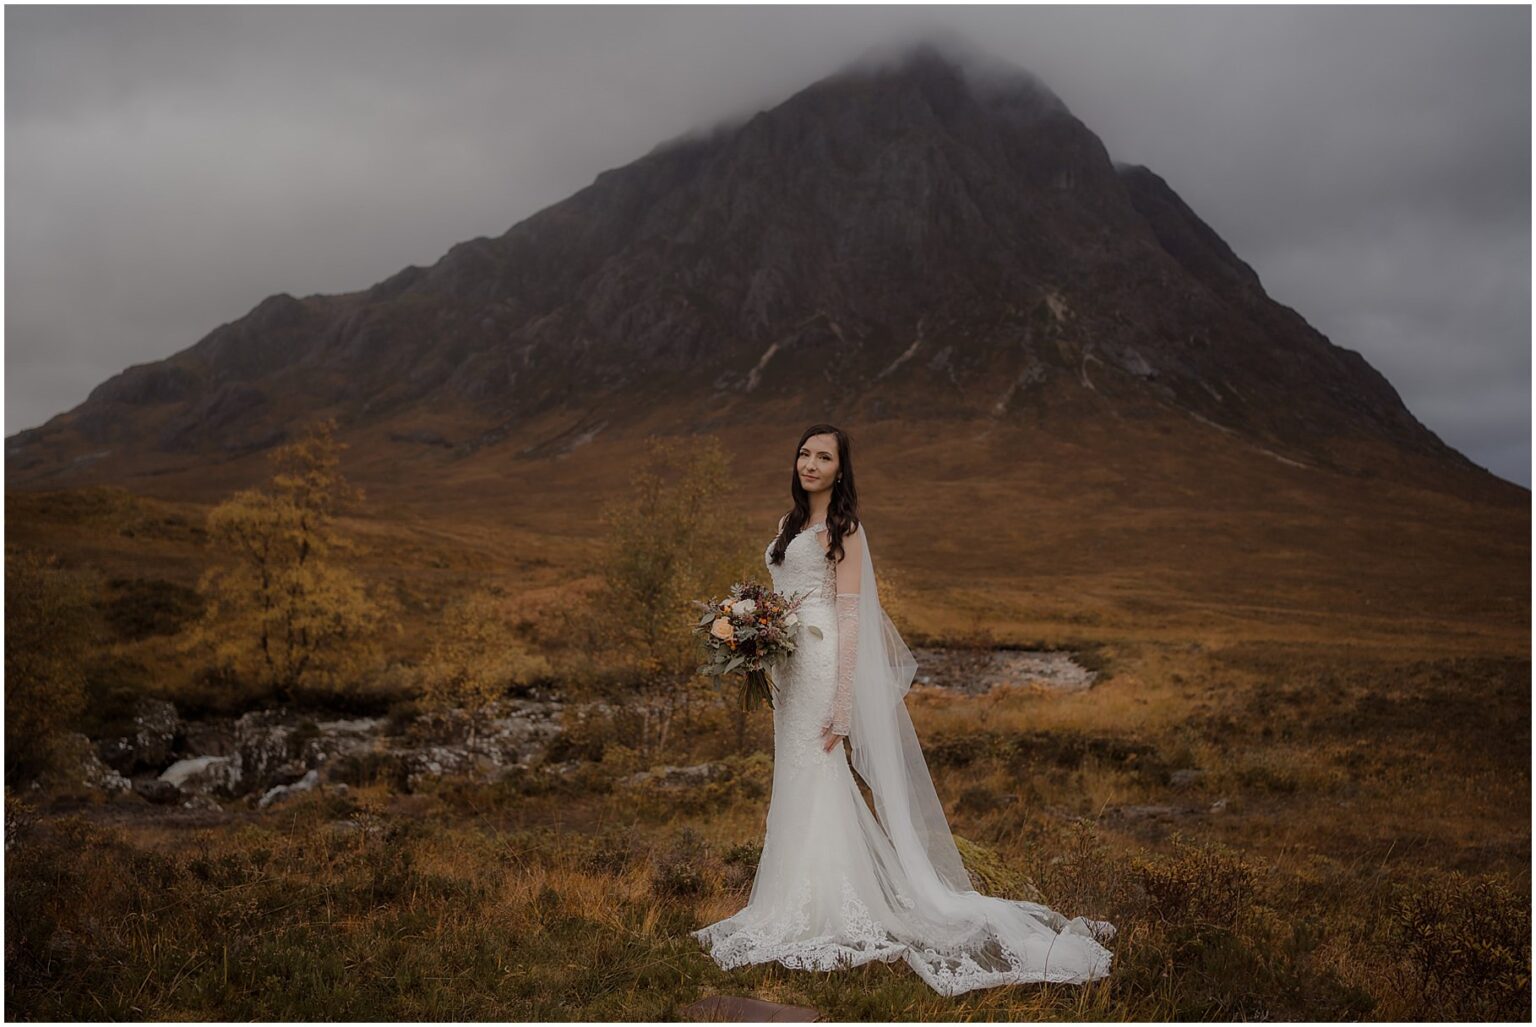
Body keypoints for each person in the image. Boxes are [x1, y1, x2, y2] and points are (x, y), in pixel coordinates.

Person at [691, 423, 1116, 997]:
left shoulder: (843, 530)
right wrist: (752, 630)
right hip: (788, 670)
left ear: (841, 471)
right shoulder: (790, 525)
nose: (809, 464)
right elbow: (782, 595)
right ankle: (792, 896)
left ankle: (822, 905)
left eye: (823, 457)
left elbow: (848, 617)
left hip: (820, 665)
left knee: (817, 770)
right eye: (804, 453)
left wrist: (842, 706)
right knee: (794, 776)